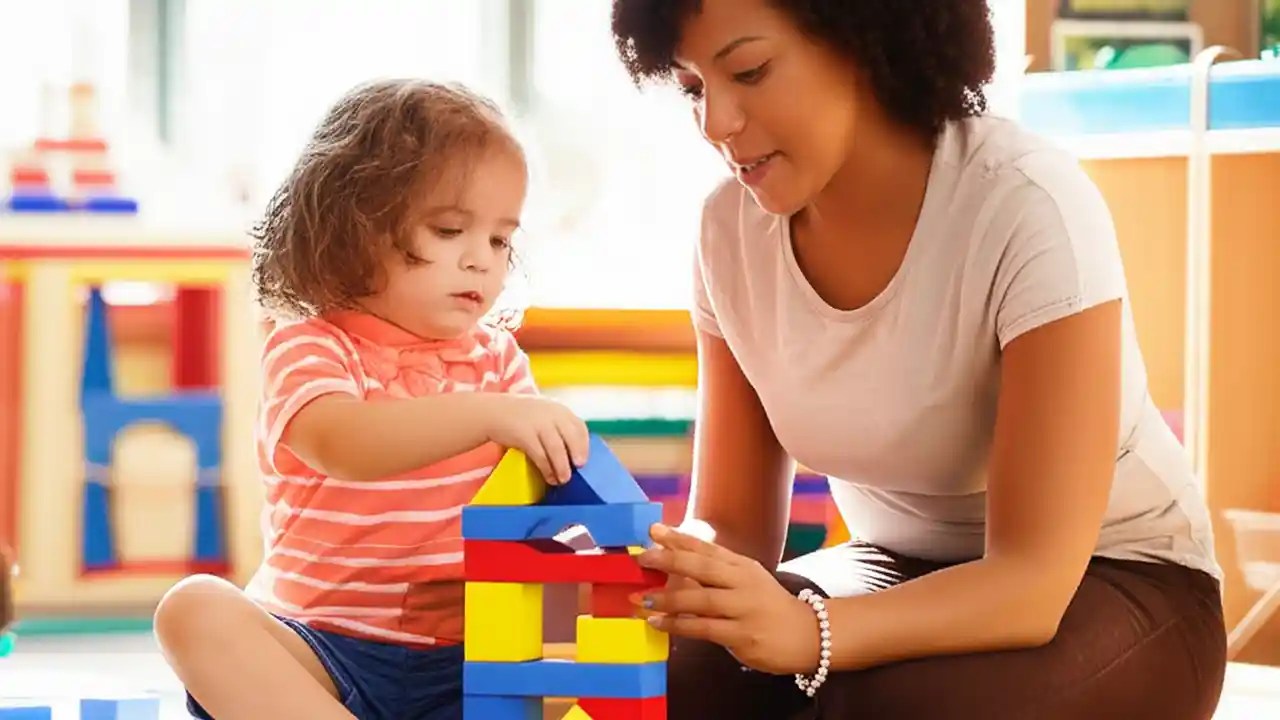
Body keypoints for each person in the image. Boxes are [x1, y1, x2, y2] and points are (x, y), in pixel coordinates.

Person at [610, 1, 1228, 718]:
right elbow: (733, 527)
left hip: (1114, 580)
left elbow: (1031, 583)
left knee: (879, 708)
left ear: (862, 39)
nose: (715, 123)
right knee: (669, 675)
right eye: (692, 88)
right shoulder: (727, 230)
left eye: (749, 71)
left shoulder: (1024, 202)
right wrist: (658, 570)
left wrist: (812, 632)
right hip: (892, 568)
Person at [153, 78, 592, 720]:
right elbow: (344, 444)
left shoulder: (498, 362)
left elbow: (547, 502)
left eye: (501, 240)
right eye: (449, 230)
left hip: (471, 660)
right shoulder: (311, 346)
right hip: (319, 653)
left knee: (592, 618)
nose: (482, 261)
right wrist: (494, 416)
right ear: (352, 231)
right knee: (192, 610)